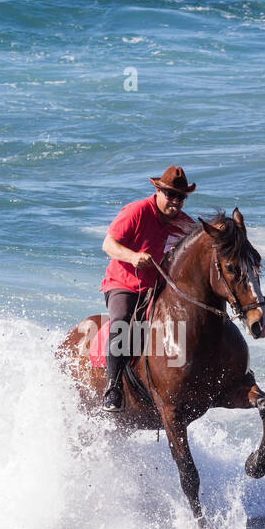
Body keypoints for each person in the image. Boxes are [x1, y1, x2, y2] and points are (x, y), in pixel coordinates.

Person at [98, 165, 197, 410]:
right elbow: (108, 244)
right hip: (124, 283)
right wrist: (132, 257)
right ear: (158, 191)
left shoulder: (185, 224)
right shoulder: (137, 211)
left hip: (159, 287)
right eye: (171, 195)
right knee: (122, 319)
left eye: (181, 197)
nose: (175, 201)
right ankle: (113, 387)